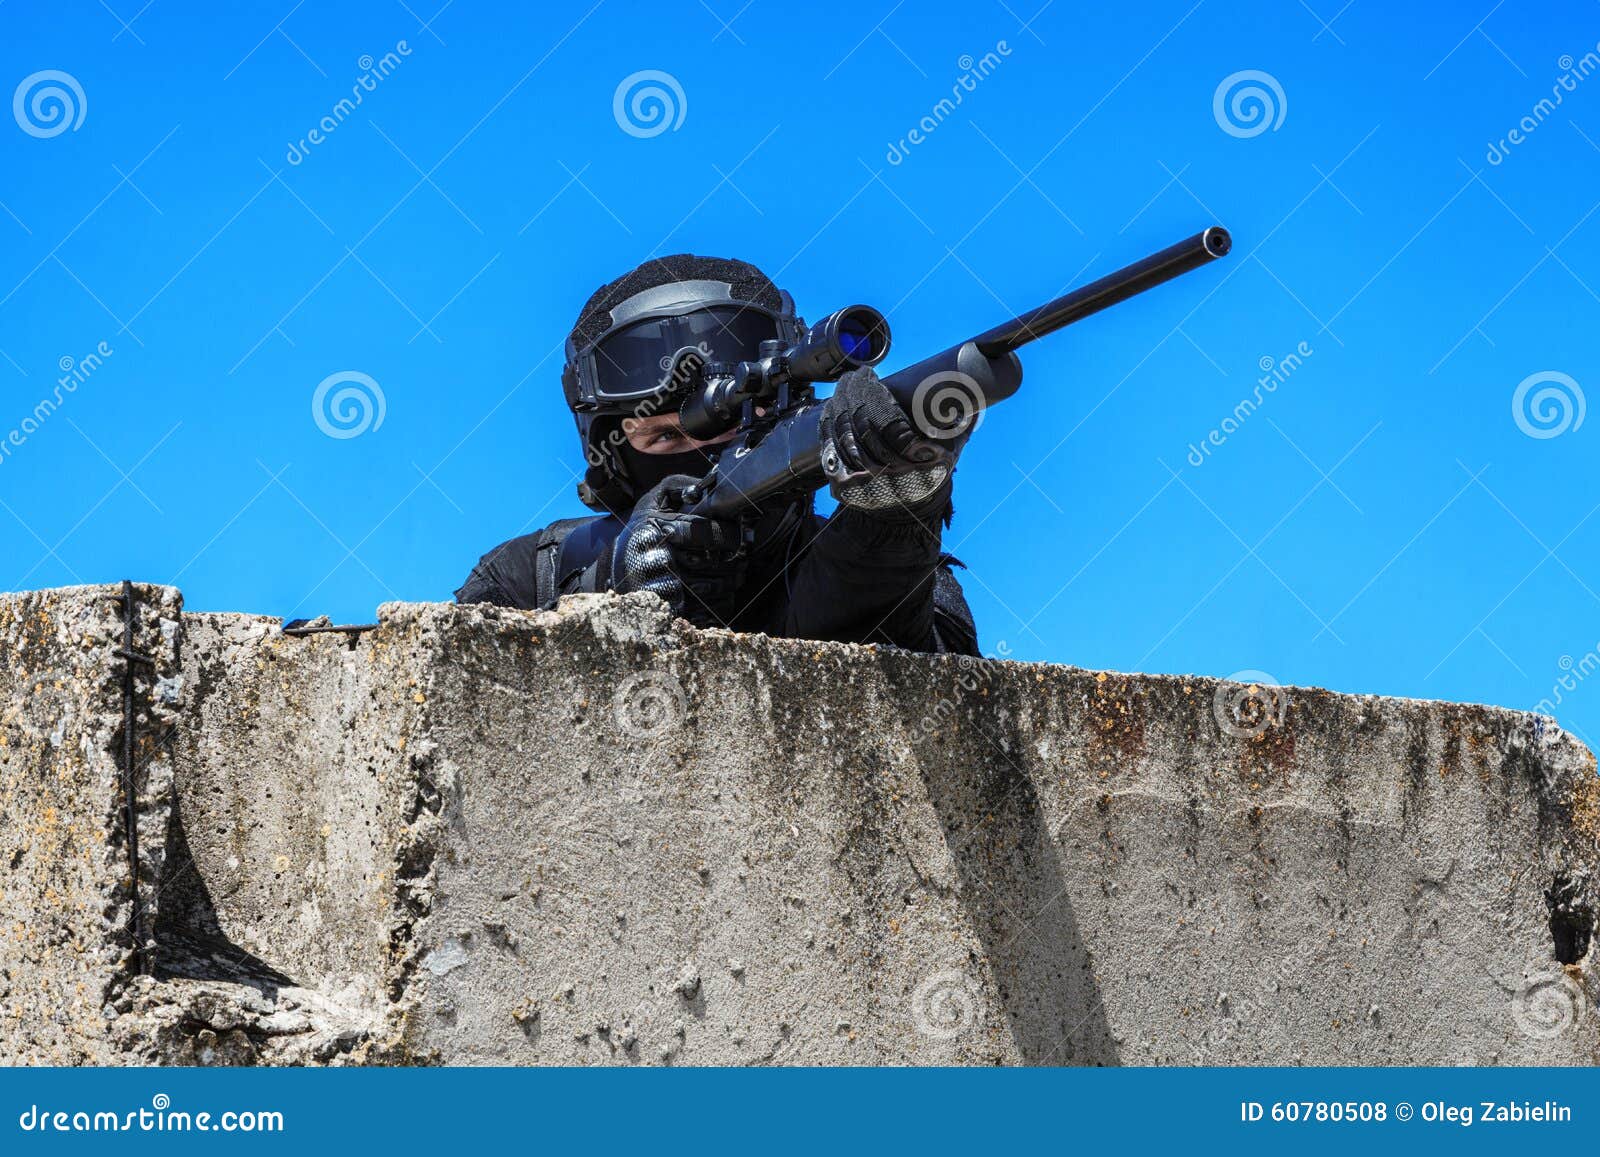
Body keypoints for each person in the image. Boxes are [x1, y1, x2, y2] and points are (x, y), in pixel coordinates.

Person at [454, 254, 977, 655]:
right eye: (664, 439)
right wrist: (613, 603)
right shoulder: (527, 579)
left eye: (730, 429)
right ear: (610, 457)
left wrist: (894, 520)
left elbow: (940, 706)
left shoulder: (920, 576)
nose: (703, 453)